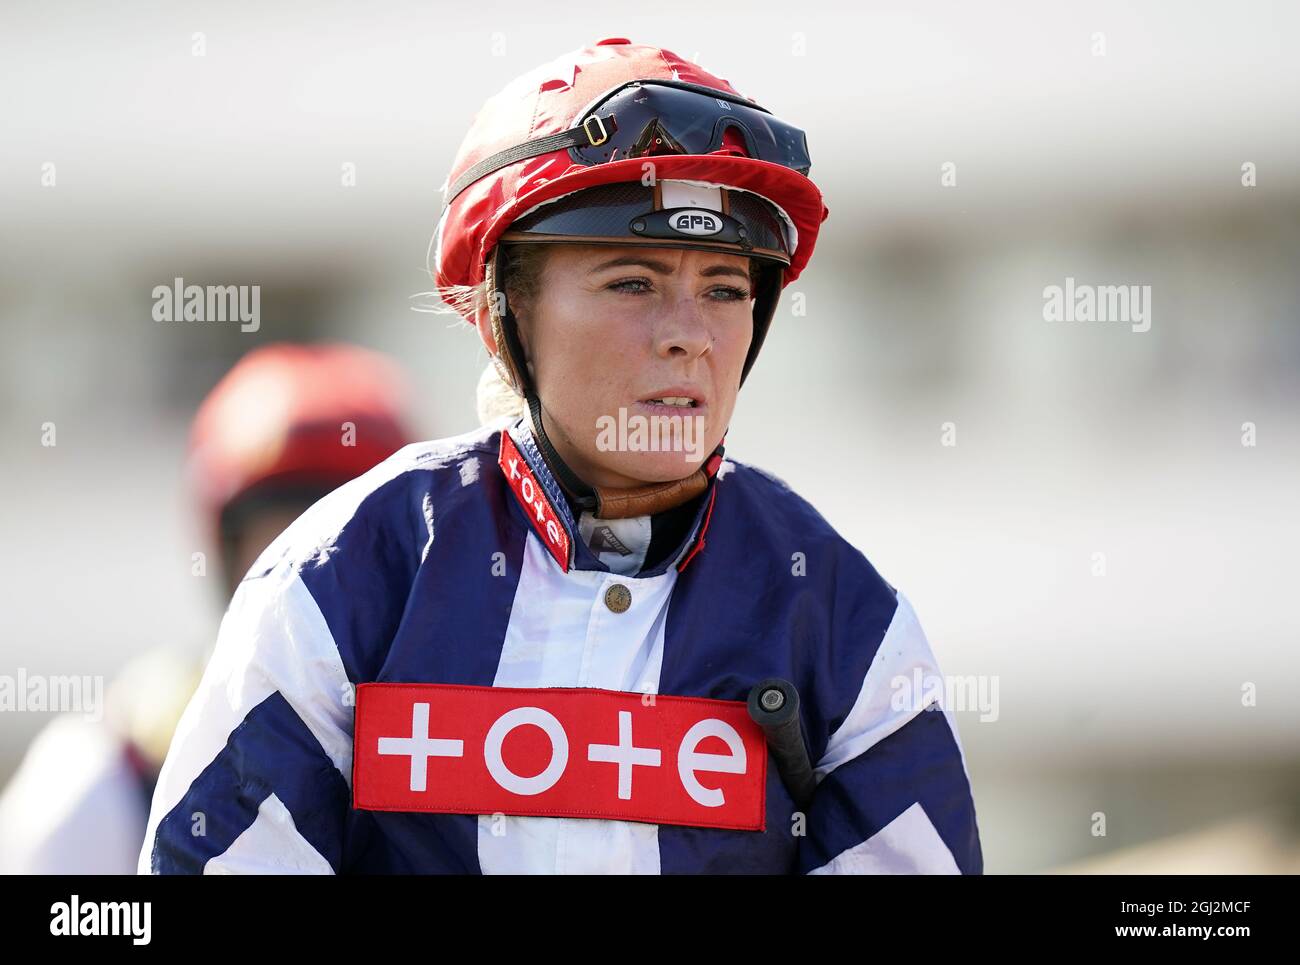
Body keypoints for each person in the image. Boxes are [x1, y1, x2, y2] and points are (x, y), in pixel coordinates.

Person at [139, 38, 983, 875]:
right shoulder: (341, 577)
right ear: (505, 313)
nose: (689, 335)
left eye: (725, 290)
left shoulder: (842, 614)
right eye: (632, 283)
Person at [0, 343, 413, 874]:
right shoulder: (113, 773)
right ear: (224, 557)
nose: (310, 589)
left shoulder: (464, 751)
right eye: (280, 552)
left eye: (343, 550)